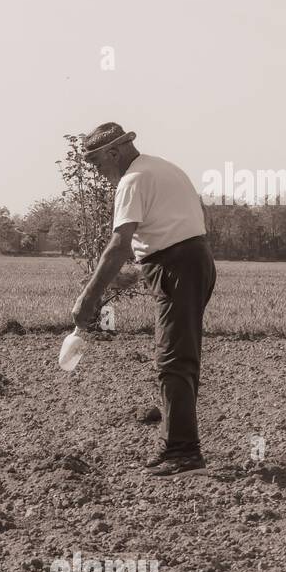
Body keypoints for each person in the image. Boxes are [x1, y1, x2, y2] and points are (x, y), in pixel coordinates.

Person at [70, 122, 216, 477]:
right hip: (192, 262)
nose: (96, 171)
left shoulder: (132, 180)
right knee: (179, 356)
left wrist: (88, 299)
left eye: (96, 163)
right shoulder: (161, 167)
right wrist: (145, 267)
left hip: (178, 268)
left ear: (114, 153)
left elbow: (119, 245)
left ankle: (184, 453)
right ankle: (178, 447)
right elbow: (177, 225)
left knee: (172, 359)